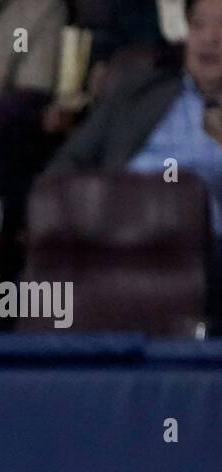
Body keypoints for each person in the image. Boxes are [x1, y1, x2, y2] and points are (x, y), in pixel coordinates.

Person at [49, 0, 222, 317]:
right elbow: (69, 162)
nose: (210, 37)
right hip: (115, 233)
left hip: (203, 252)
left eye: (221, 25)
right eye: (199, 25)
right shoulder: (137, 94)